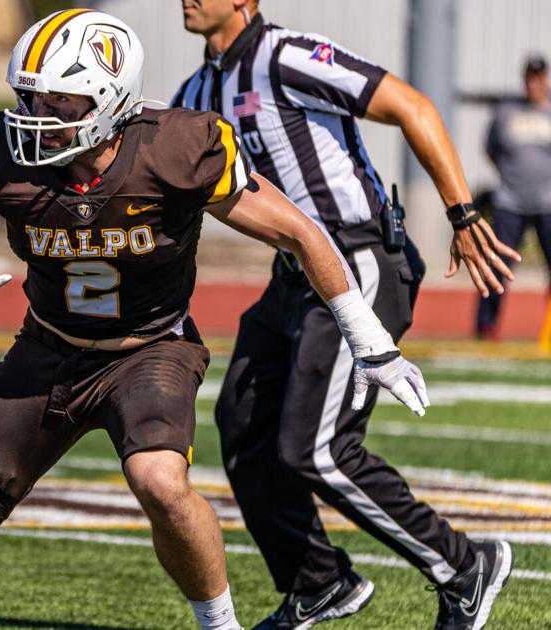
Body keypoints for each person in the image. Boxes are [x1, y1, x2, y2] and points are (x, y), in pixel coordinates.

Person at [0, 10, 430, 630]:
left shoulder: (177, 149)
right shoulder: (1, 153)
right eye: (30, 95)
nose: (37, 114)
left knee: (160, 481)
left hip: (149, 349)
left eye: (60, 100)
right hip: (47, 349)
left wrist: (370, 341)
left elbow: (300, 233)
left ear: (110, 101)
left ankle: (220, 626)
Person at [174, 1, 519, 627]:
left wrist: (463, 215)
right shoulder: (196, 90)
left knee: (319, 446)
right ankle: (319, 582)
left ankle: (463, 564)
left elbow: (413, 105)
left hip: (358, 260)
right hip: (291, 278)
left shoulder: (286, 55)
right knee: (243, 423)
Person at [477, 54, 551, 339]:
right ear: (524, 80)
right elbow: (490, 149)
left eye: (539, 78)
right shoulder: (506, 112)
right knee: (497, 267)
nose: (534, 84)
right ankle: (486, 326)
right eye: (529, 78)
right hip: (510, 202)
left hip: (547, 203)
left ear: (545, 80)